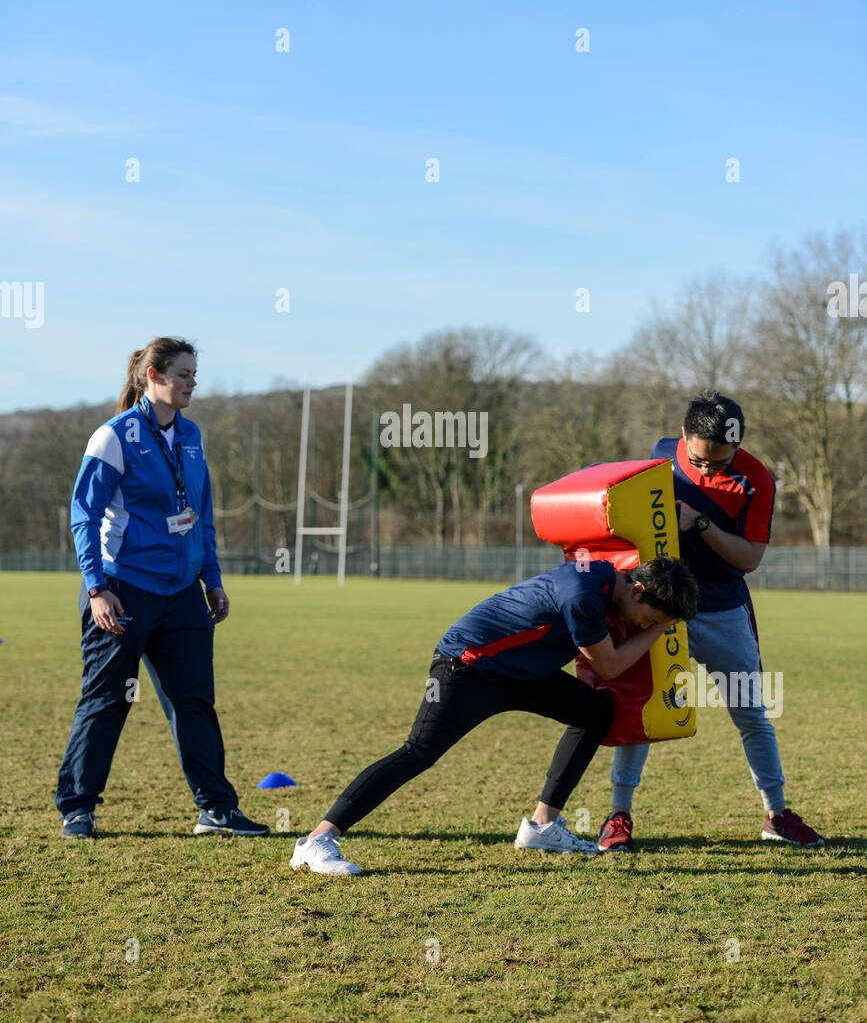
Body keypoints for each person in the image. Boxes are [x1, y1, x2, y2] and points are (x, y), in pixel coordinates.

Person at [290, 555, 698, 875]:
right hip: (467, 666)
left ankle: (542, 827)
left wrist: (660, 618)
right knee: (418, 752)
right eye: (650, 617)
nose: (644, 625)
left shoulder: (608, 582)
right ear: (638, 588)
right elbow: (609, 666)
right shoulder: (585, 593)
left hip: (519, 672)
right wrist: (659, 630)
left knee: (594, 711)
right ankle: (317, 840)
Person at [56, 336, 268, 840]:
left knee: (194, 701)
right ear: (153, 376)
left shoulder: (192, 435)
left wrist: (212, 580)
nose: (192, 383)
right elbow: (83, 516)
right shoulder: (114, 437)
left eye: (195, 375)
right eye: (183, 375)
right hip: (123, 590)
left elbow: (202, 515)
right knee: (107, 700)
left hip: (182, 595)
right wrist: (96, 588)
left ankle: (216, 809)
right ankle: (78, 809)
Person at [599, 390, 825, 852]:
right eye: (701, 461)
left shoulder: (757, 479)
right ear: (684, 435)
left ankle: (777, 814)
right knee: (643, 704)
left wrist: (700, 524)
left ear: (738, 446)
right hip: (661, 604)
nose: (708, 471)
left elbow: (750, 559)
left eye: (722, 462)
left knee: (751, 713)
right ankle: (619, 814)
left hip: (722, 607)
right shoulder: (661, 455)